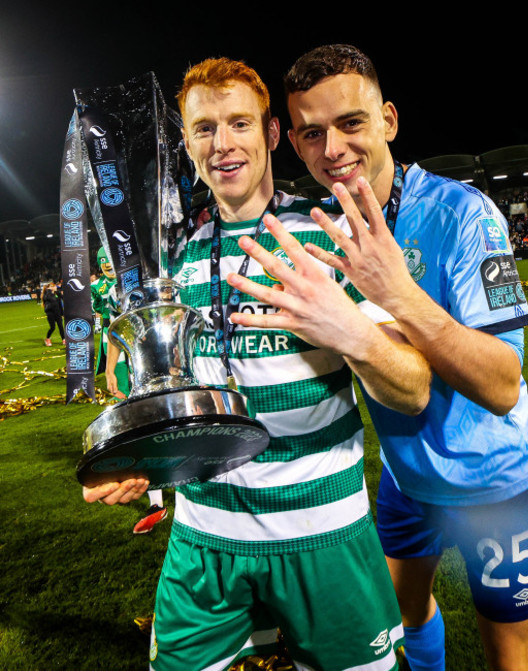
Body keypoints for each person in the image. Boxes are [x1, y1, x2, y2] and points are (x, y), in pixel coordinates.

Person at [83, 56, 431, 671]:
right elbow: (134, 388)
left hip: (325, 537)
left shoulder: (330, 232)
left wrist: (352, 332)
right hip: (204, 542)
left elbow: (412, 389)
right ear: (185, 143)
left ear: (271, 135)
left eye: (240, 124)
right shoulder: (169, 260)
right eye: (204, 128)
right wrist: (133, 459)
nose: (223, 144)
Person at [281, 44, 528, 671]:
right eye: (313, 133)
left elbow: (504, 384)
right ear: (295, 143)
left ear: (389, 121)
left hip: (492, 483)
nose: (334, 148)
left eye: (351, 123)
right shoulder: (322, 233)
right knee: (402, 617)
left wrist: (398, 291)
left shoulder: (466, 215)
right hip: (405, 478)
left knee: (510, 652)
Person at [91, 247, 130, 398]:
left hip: (131, 325)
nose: (107, 264)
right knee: (116, 360)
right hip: (109, 326)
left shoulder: (129, 279)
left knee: (134, 359)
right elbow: (97, 308)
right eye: (103, 261)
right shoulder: (95, 286)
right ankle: (121, 393)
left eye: (109, 260)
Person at [41, 281, 64, 346]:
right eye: (52, 286)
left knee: (61, 327)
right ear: (49, 288)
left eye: (54, 286)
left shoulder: (57, 293)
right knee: (52, 327)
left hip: (58, 312)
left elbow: (61, 302)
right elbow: (50, 299)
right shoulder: (46, 294)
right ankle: (47, 339)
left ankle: (64, 339)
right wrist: (49, 291)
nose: (54, 287)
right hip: (50, 313)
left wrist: (62, 314)